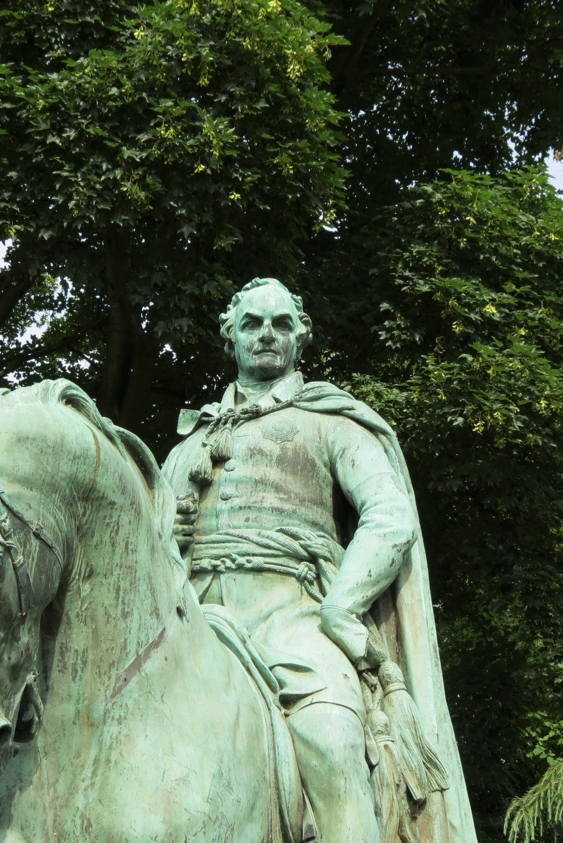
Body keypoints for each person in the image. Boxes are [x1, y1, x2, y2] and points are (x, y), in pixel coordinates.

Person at [162, 278, 478, 842]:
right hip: (188, 620)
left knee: (332, 739)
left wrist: (342, 607)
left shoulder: (332, 421)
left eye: (281, 324)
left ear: (300, 337)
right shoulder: (188, 442)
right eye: (253, 323)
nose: (266, 334)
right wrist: (168, 533)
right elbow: (142, 554)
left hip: (292, 616)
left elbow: (389, 514)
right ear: (229, 334)